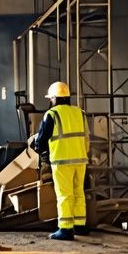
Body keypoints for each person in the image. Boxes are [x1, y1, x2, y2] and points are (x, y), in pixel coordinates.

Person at [29, 81, 89, 240]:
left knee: (64, 195)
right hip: (81, 159)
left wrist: (39, 150)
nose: (50, 102)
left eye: (51, 99)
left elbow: (41, 140)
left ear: (55, 98)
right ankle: (80, 226)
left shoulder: (52, 114)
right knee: (79, 192)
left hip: (62, 161)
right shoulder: (80, 113)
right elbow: (86, 138)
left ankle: (65, 229)